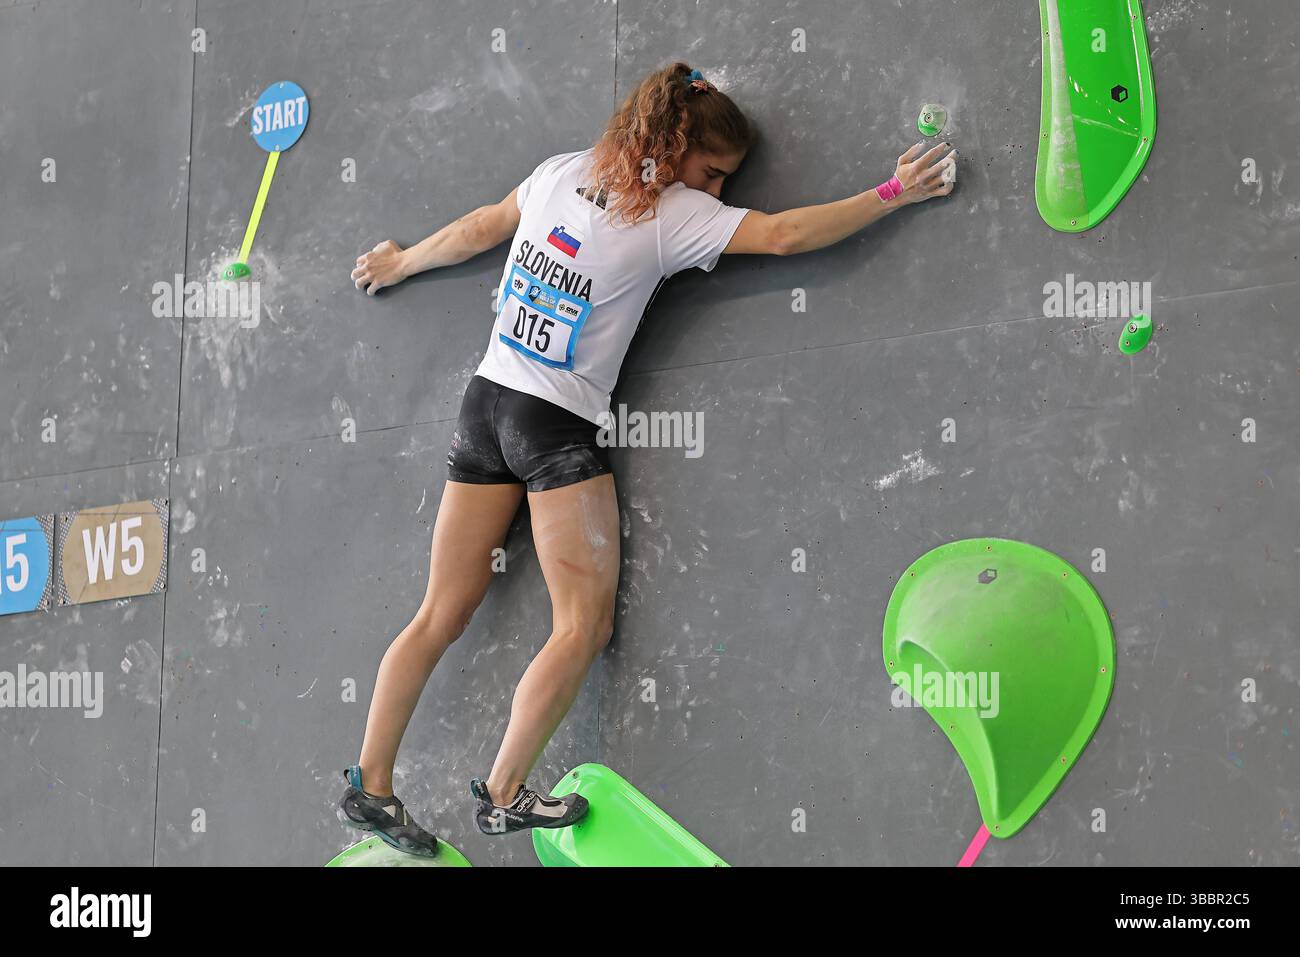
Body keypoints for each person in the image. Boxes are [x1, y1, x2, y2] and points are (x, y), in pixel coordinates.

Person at [339, 62, 956, 856]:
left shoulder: (561, 171)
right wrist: (890, 194)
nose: (721, 190)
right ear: (675, 148)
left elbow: (483, 225)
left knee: (437, 614)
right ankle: (502, 793)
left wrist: (401, 262)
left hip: (484, 405)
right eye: (713, 172)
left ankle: (372, 784)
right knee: (583, 624)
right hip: (554, 429)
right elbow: (786, 234)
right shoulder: (671, 217)